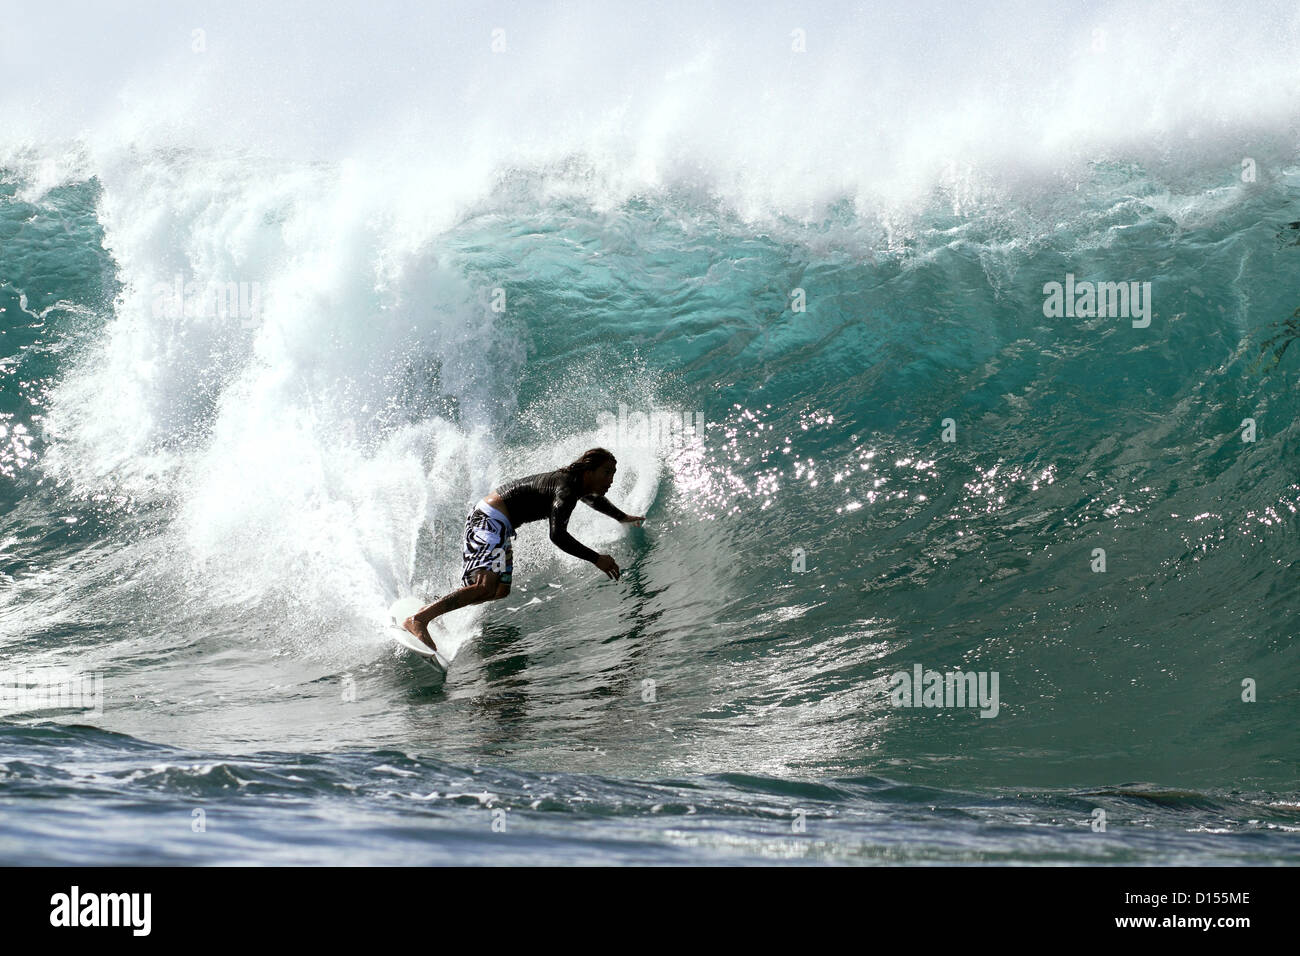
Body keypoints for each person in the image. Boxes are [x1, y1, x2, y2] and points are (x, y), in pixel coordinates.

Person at [402, 447, 644, 650]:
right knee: (484, 586)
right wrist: (596, 558)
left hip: (502, 527)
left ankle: (433, 605)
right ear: (589, 471)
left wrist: (622, 517)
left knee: (498, 590)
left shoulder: (579, 487)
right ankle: (419, 619)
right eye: (607, 473)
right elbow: (557, 535)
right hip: (489, 520)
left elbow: (594, 500)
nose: (611, 479)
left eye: (613, 473)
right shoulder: (567, 489)